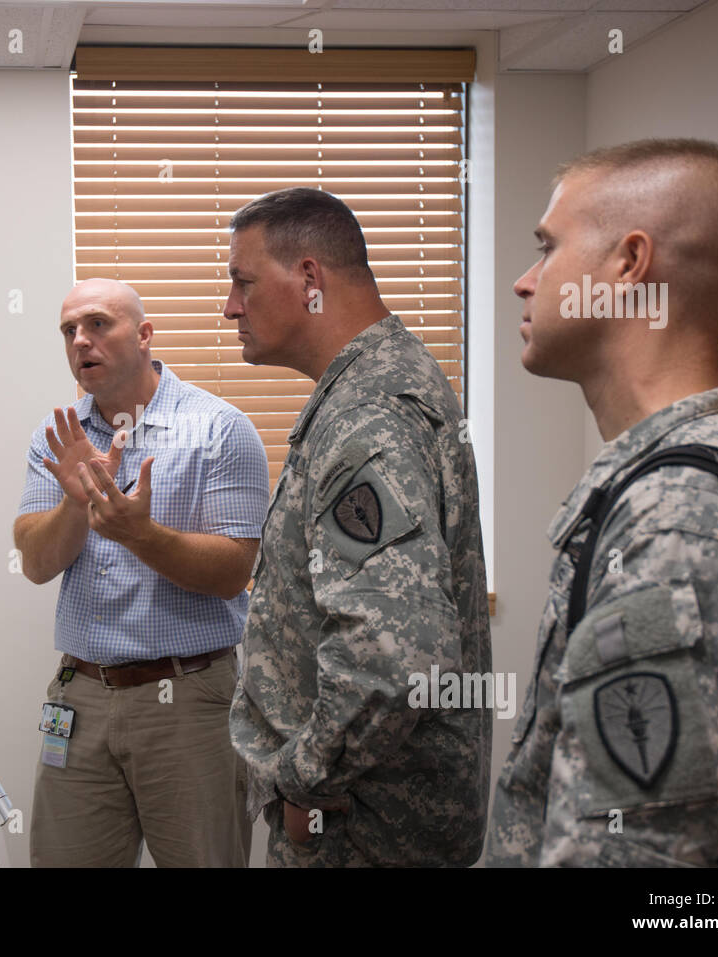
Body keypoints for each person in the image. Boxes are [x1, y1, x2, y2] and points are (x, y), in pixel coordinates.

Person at [489, 138, 718, 866]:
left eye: (547, 247)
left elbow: (638, 857)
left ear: (629, 264)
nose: (523, 280)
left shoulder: (678, 521)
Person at [225, 187, 492, 867]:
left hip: (360, 830)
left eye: (243, 282)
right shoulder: (372, 386)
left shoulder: (368, 415)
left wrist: (303, 774)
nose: (230, 306)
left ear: (309, 279)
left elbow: (393, 650)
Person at [14, 278, 269, 867]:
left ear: (145, 334)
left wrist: (139, 533)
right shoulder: (57, 439)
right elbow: (35, 562)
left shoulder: (220, 429)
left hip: (189, 699)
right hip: (78, 701)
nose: (81, 341)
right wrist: (76, 503)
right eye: (69, 331)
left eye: (98, 323)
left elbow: (234, 571)